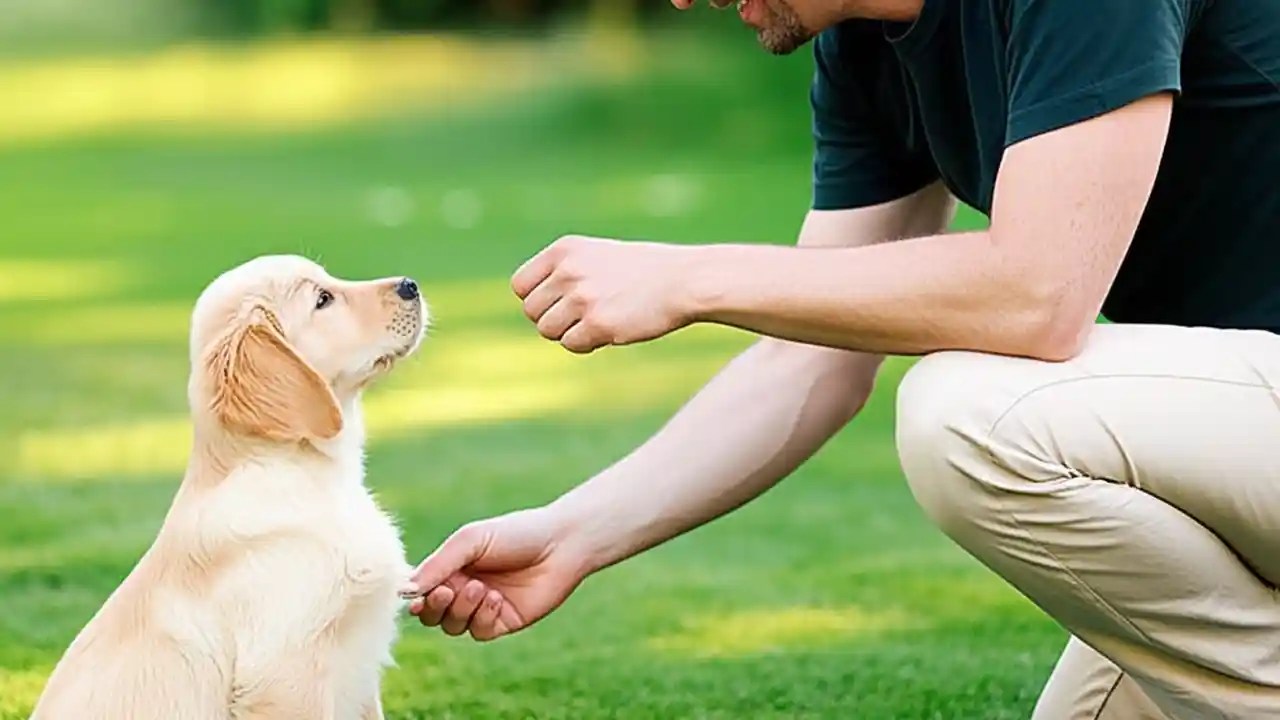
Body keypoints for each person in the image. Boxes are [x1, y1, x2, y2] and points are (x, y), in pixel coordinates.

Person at [403, 0, 1280, 716]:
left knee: (970, 414)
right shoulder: (867, 47)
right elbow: (809, 362)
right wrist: (573, 534)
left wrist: (692, 276)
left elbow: (1037, 294)